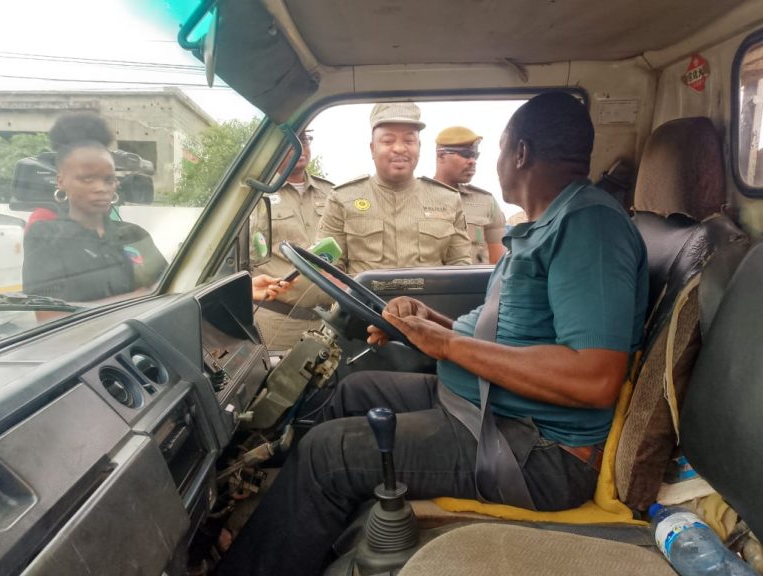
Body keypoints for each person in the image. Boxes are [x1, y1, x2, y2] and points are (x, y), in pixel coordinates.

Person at [216, 92, 649, 576]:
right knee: (353, 388)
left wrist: (447, 344)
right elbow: (518, 337)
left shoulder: (587, 226)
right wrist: (432, 324)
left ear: (521, 153)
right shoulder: (551, 223)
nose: (496, 163)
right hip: (492, 406)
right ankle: (299, 533)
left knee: (326, 453)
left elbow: (594, 378)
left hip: (538, 451)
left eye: (500, 150)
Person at [22, 113, 167, 302]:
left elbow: (170, 289)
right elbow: (51, 317)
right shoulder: (45, 237)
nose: (101, 188)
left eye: (109, 179)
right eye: (87, 178)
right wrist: (142, 296)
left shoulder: (135, 235)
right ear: (61, 181)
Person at [316, 102, 471, 274]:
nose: (399, 148)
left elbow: (460, 266)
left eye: (409, 140)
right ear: (372, 149)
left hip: (430, 301)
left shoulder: (448, 199)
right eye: (388, 141)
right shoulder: (342, 198)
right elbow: (327, 269)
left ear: (419, 147)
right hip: (360, 301)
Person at [252, 129, 335, 349]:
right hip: (277, 321)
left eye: (305, 139)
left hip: (325, 324)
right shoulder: (256, 196)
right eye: (292, 141)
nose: (300, 146)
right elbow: (241, 259)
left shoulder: (330, 193)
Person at [433, 126, 507, 264]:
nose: (472, 161)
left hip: (476, 285)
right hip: (432, 285)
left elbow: (498, 265)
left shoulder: (486, 202)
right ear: (441, 156)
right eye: (465, 154)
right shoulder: (416, 198)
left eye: (475, 155)